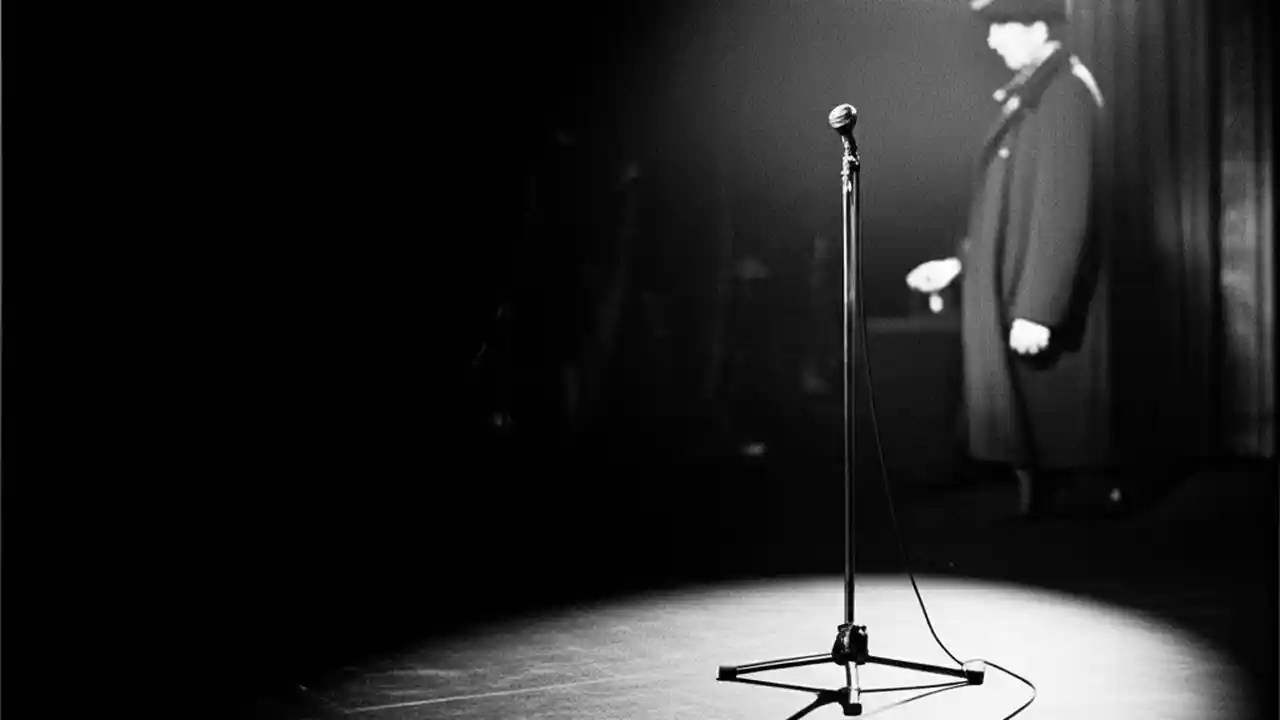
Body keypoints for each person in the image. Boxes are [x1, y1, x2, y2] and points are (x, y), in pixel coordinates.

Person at [906, 0, 1108, 517]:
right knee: (1027, 444)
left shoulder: (1065, 95)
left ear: (1038, 25)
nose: (992, 40)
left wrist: (1040, 308)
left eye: (1002, 25)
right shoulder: (1033, 97)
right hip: (1015, 288)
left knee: (1056, 443)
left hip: (1034, 302)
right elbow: (1006, 210)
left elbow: (1065, 208)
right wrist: (961, 266)